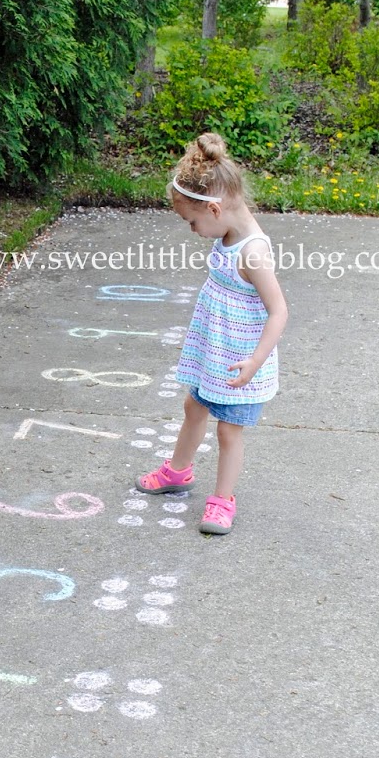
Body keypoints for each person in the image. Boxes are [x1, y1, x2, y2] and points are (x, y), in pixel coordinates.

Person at [136, 132, 288, 535]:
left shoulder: (252, 253)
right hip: (214, 350)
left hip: (240, 361)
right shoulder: (226, 235)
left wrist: (255, 362)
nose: (192, 230)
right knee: (193, 407)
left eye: (192, 222)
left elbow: (279, 312)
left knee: (228, 430)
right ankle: (178, 472)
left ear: (216, 209)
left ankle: (223, 500)